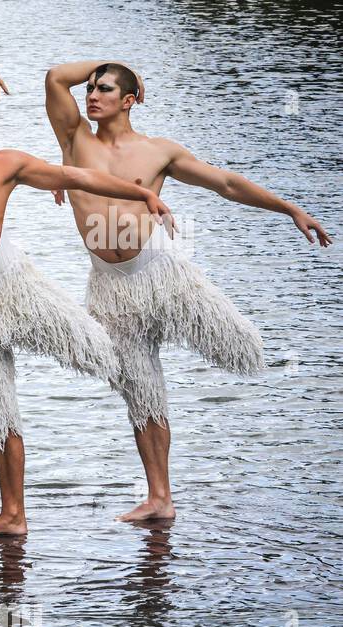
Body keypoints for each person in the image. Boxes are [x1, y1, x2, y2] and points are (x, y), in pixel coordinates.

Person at [45, 59, 332, 521]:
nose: (91, 95)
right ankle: (160, 497)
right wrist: (109, 64)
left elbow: (227, 184)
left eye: (103, 89)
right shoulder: (74, 138)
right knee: (141, 393)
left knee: (243, 349)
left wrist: (290, 209)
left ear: (129, 101)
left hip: (160, 272)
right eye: (91, 88)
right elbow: (57, 76)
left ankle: (300, 405)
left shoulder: (159, 151)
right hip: (109, 287)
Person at [0, 58, 172, 536]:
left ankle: (158, 490)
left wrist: (141, 195)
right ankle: (13, 515)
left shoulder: (8, 162)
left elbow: (79, 177)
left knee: (109, 357)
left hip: (13, 286)